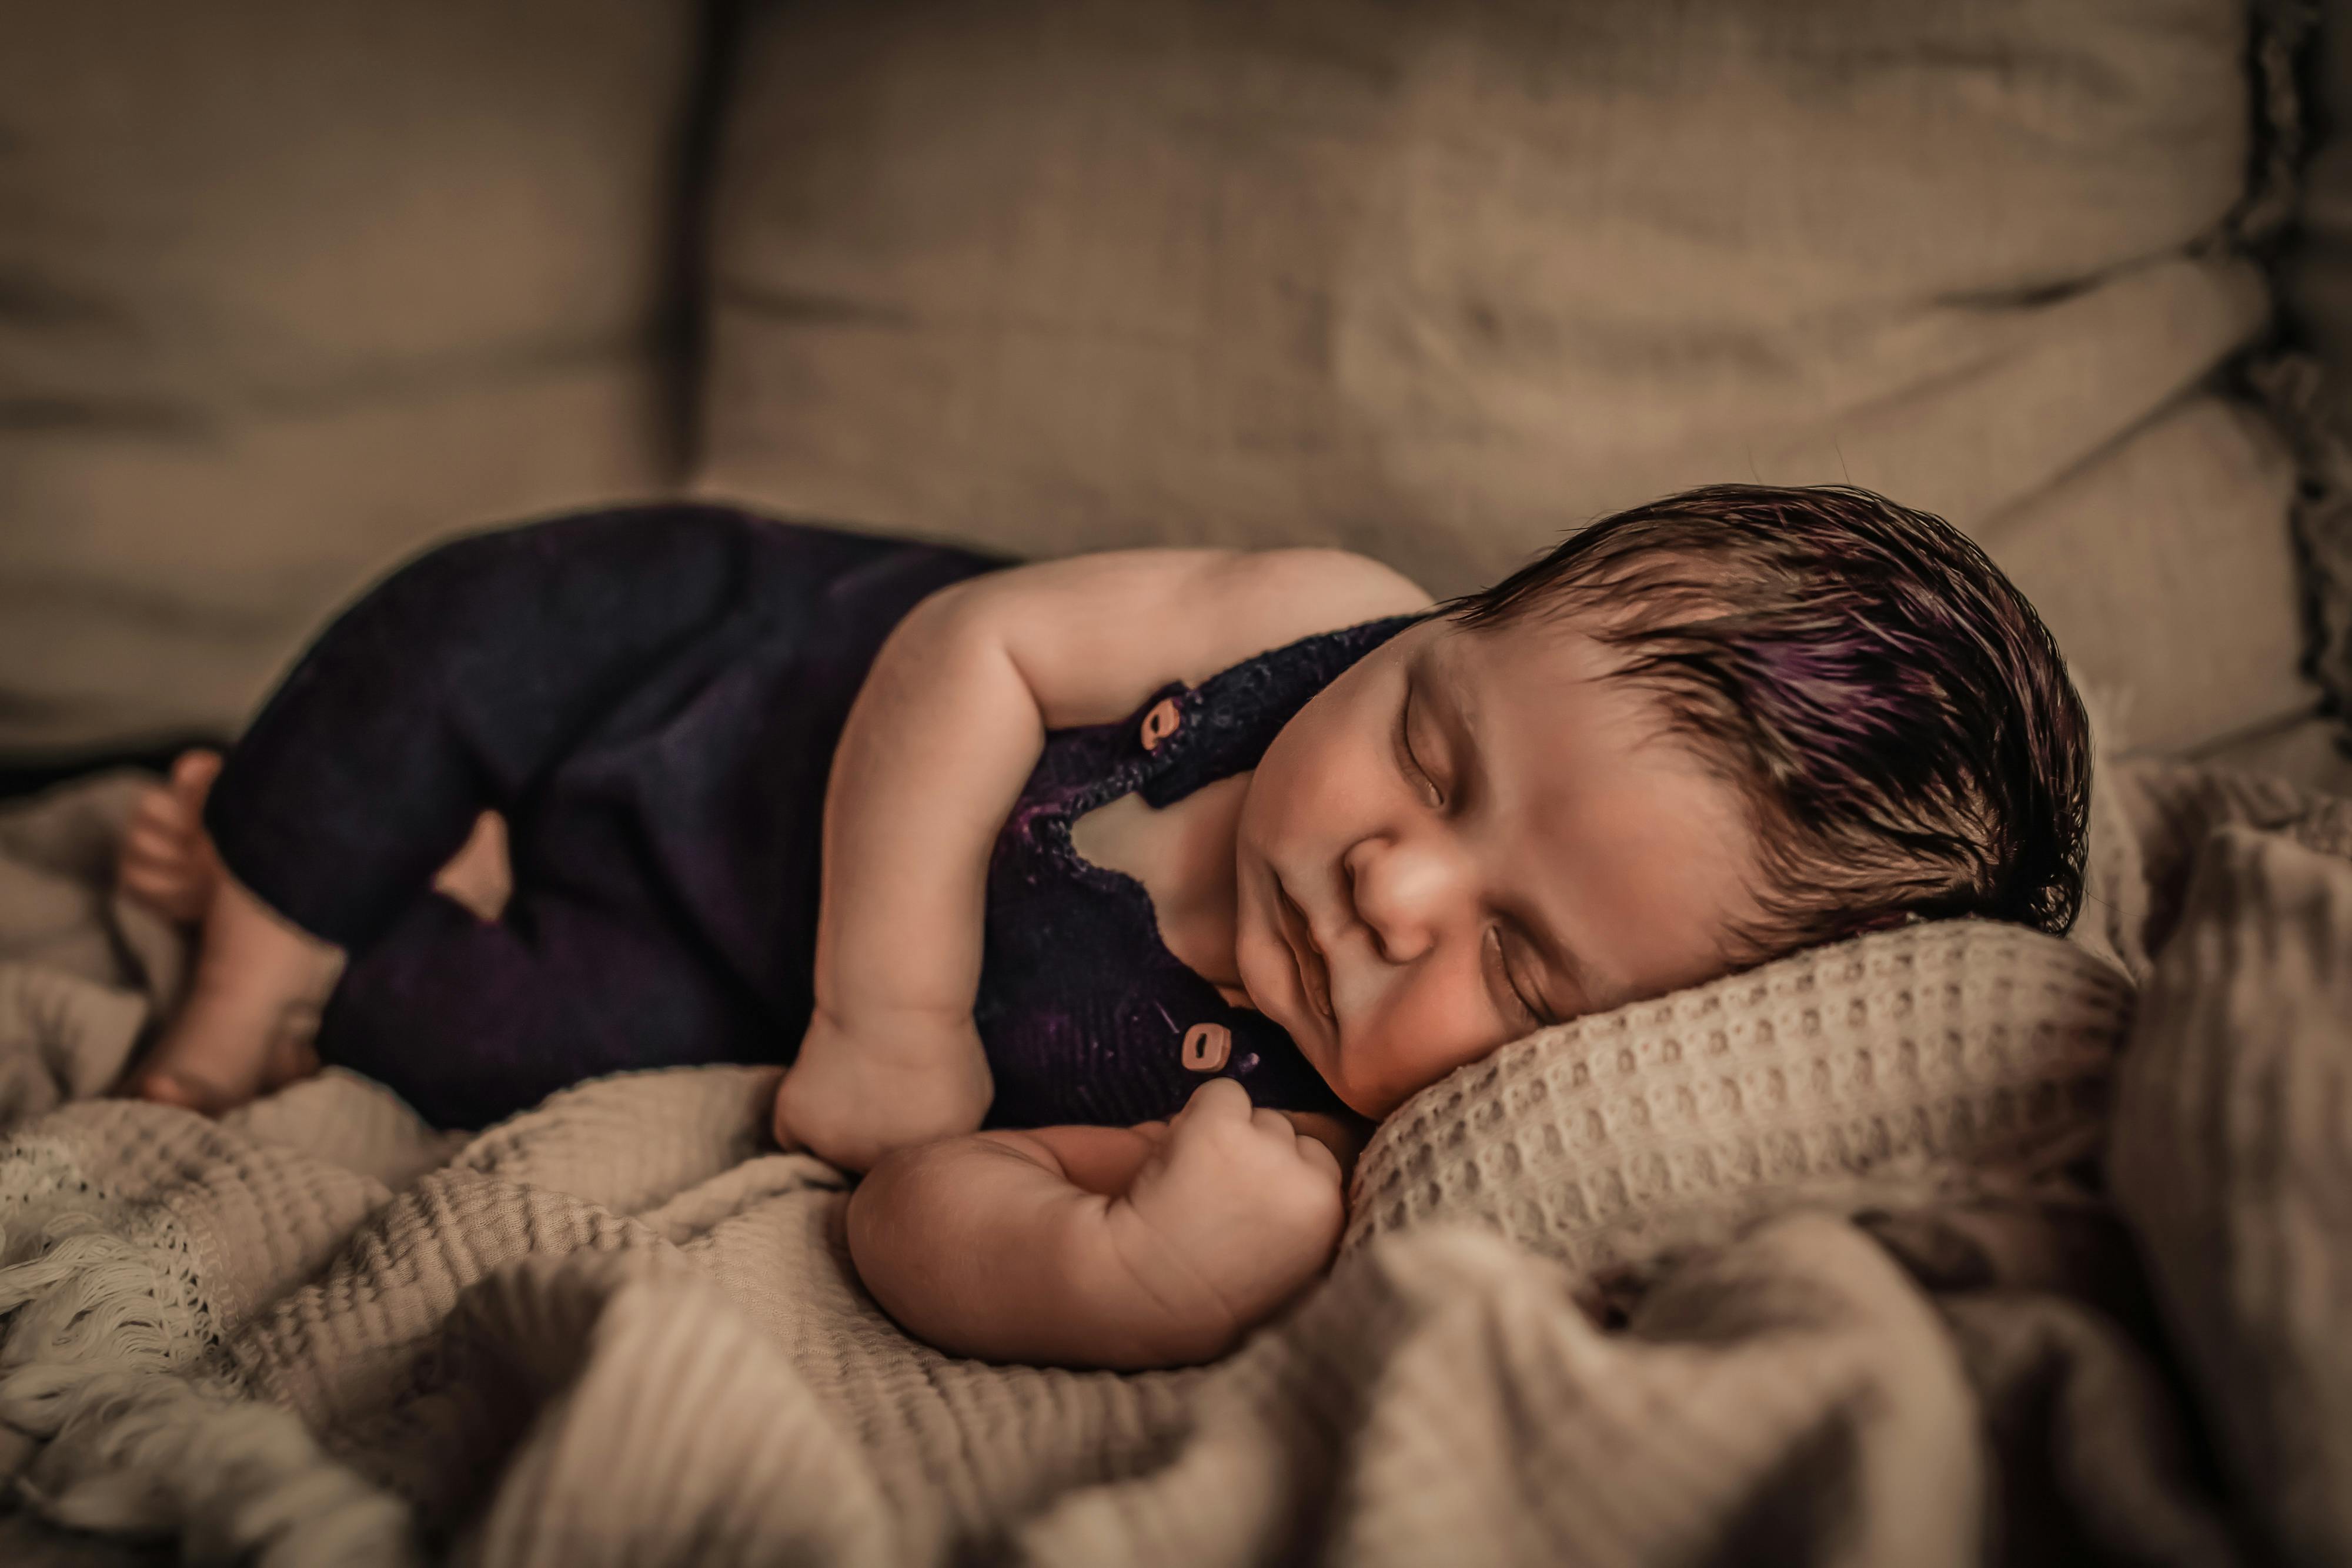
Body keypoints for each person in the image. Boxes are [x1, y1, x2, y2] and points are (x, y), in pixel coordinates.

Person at [113, 484, 2090, 1369]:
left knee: (469, 1037)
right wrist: (891, 1006)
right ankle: (239, 978)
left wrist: (1123, 1272)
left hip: (702, 967)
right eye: (1431, 745)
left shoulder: (1282, 1140)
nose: (1397, 885)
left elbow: (904, 1201)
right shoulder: (1308, 609)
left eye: (1524, 964)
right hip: (733, 673)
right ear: (1451, 617)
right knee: (473, 623)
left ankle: (335, 906)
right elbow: (971, 646)